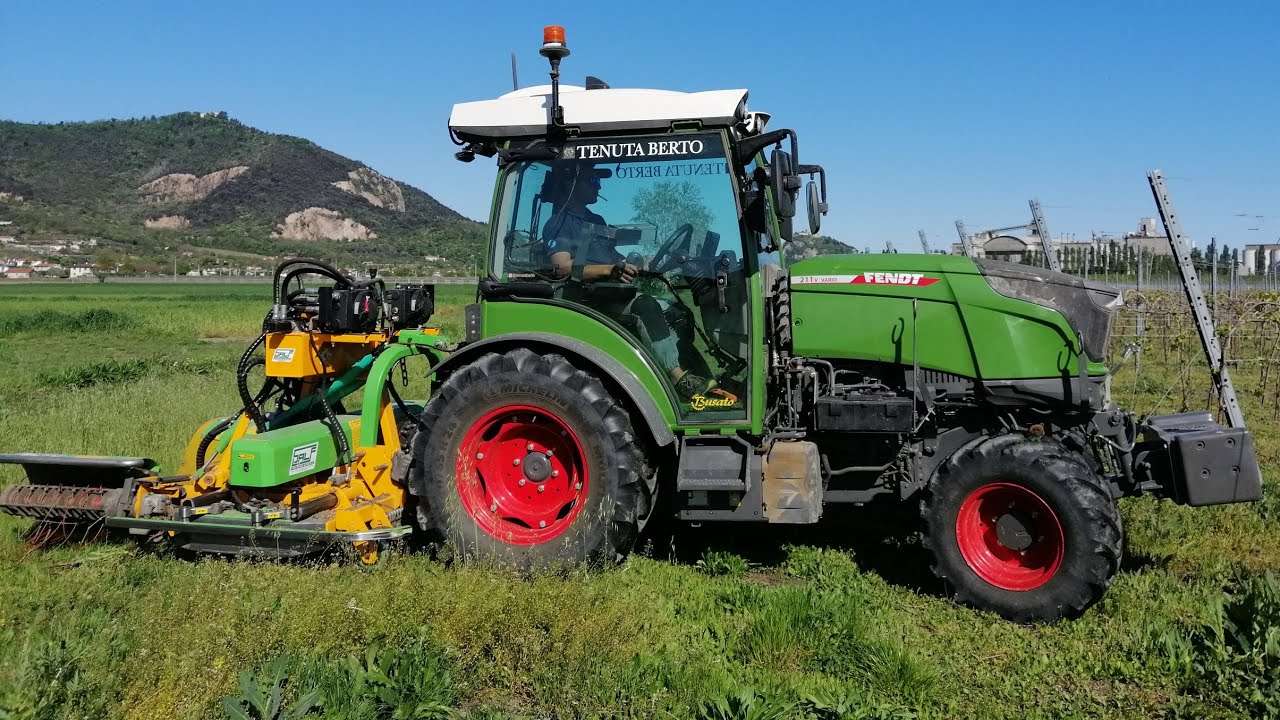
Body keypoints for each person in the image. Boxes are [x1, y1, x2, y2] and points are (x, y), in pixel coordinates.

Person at [541, 163, 713, 401]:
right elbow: (561, 267)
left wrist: (637, 263)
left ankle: (701, 377)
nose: (598, 185)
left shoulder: (596, 219)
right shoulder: (559, 223)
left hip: (611, 291)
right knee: (646, 306)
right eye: (591, 181)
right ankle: (677, 378)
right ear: (571, 184)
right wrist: (609, 270)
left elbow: (614, 258)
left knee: (679, 312)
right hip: (584, 295)